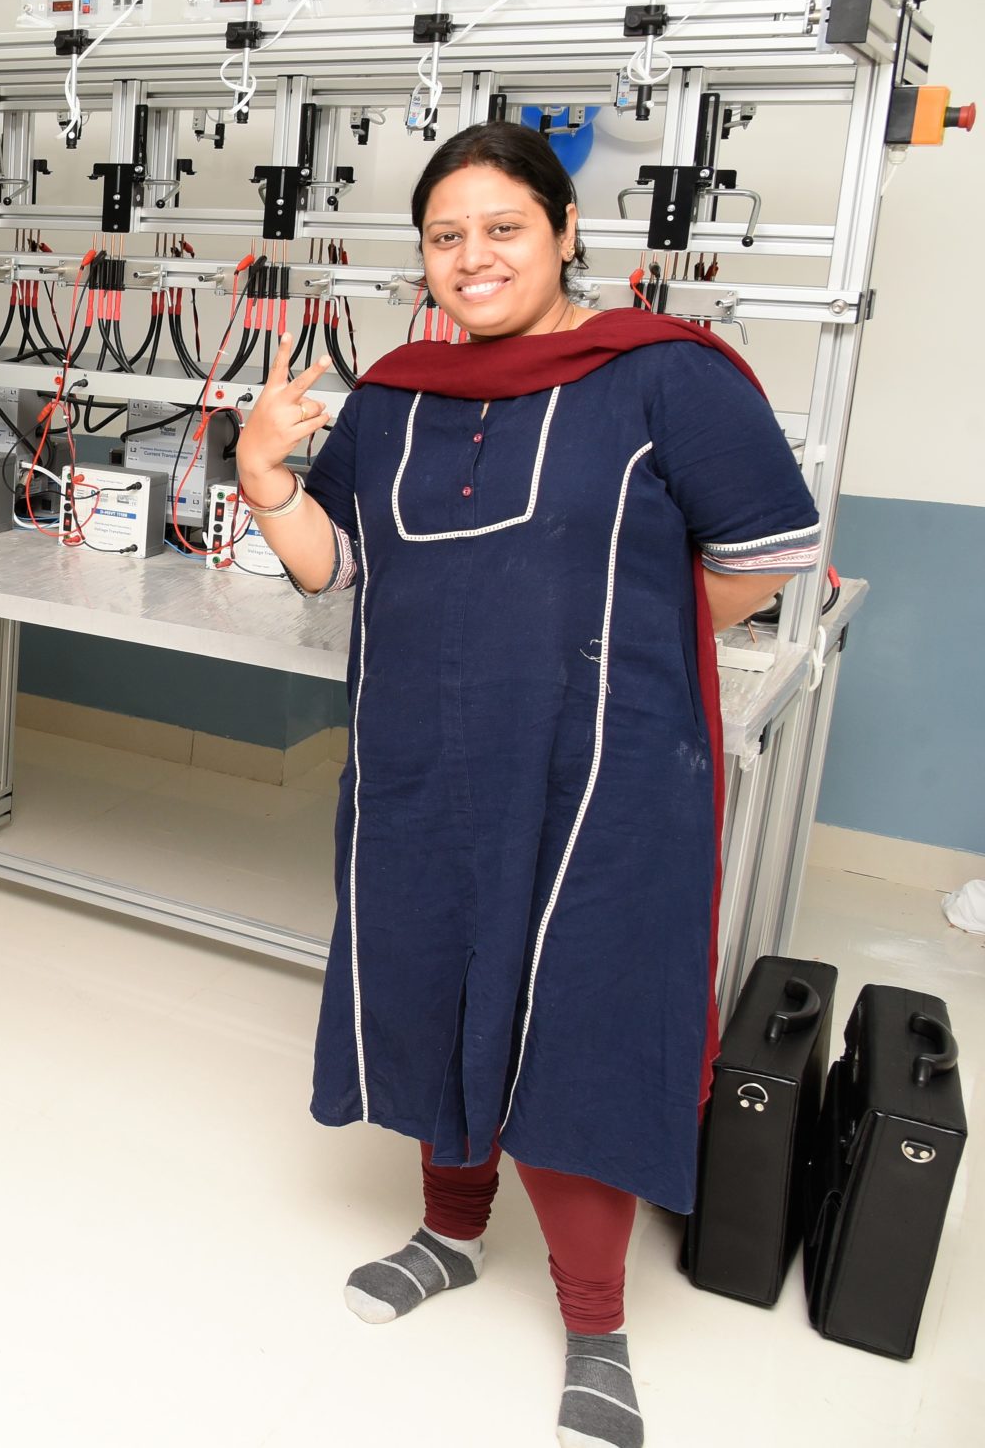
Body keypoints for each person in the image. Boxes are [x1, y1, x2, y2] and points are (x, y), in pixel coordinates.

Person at [237, 122, 819, 1448]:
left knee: (581, 1031)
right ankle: (448, 1233)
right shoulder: (391, 399)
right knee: (444, 988)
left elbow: (769, 551)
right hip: (425, 764)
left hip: (603, 778)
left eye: (503, 227)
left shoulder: (663, 379)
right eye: (446, 236)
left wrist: (636, 655)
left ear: (564, 231)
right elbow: (332, 566)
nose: (472, 256)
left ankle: (597, 1323)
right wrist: (265, 473)